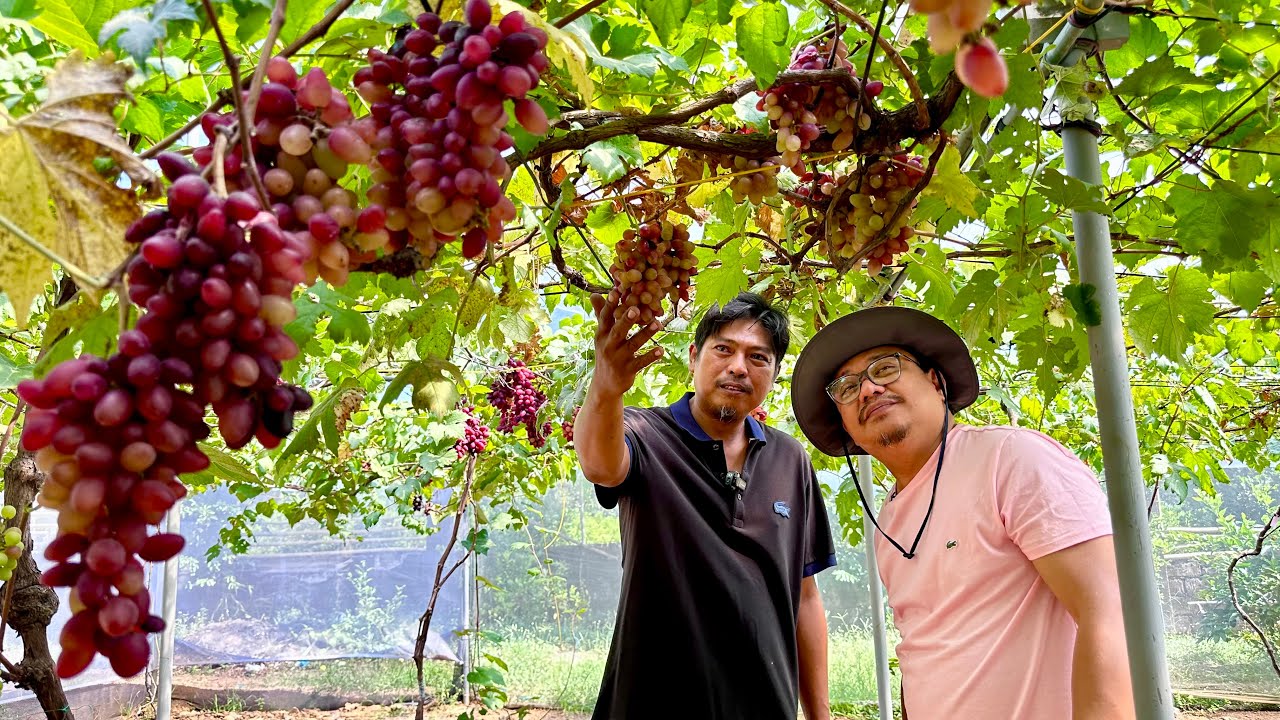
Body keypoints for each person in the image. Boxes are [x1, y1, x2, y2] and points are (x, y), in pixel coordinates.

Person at [789, 306, 1135, 720]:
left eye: (884, 369)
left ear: (936, 382)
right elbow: (923, 650)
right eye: (846, 388)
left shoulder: (1010, 458)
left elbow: (1111, 611)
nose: (867, 390)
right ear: (846, 426)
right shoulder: (890, 522)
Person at [574, 291, 836, 720]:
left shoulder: (791, 460)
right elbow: (600, 465)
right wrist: (605, 387)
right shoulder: (644, 432)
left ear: (773, 373)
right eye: (723, 349)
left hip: (767, 704)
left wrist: (819, 716)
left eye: (758, 357)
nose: (738, 366)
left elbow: (805, 598)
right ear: (694, 357)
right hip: (651, 703)